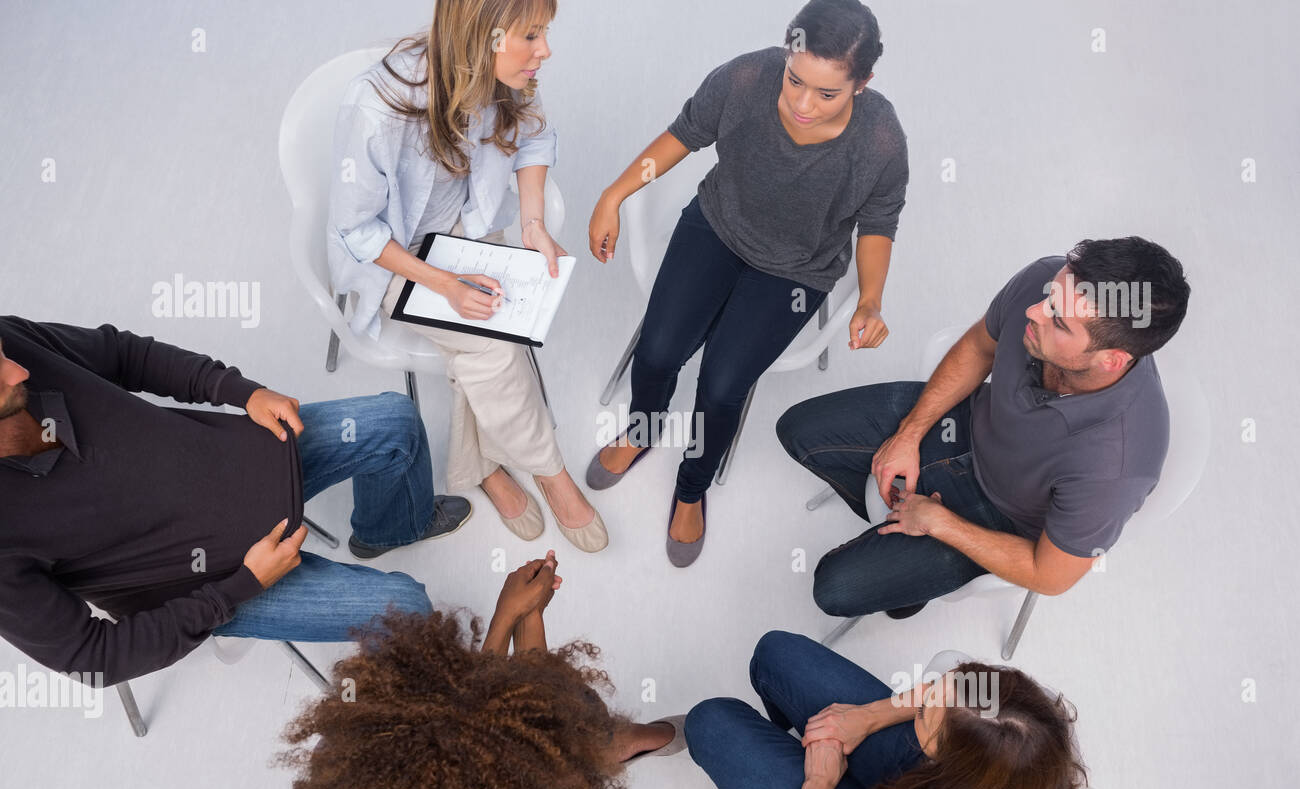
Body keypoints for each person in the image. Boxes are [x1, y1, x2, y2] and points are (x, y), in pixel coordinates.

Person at [586, 0, 907, 567]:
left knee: (722, 386)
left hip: (796, 269)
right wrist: (615, 193)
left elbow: (878, 223)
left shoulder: (880, 139)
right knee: (658, 352)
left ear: (863, 84)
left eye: (826, 94)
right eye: (795, 79)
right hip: (717, 225)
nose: (802, 103)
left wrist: (872, 299)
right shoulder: (745, 77)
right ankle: (641, 430)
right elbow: (682, 135)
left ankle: (692, 485)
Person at [0, 315, 468, 687]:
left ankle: (388, 529)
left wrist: (237, 390)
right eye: (0, 381)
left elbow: (124, 355)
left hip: (250, 459)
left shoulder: (8, 341)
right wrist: (239, 588)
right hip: (219, 580)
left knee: (396, 421)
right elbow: (93, 659)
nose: (18, 369)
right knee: (407, 607)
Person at [776, 237, 1191, 620]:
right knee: (797, 430)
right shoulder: (1045, 279)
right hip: (968, 420)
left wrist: (940, 523)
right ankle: (896, 546)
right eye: (1051, 295)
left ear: (1111, 360)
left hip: (999, 519)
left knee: (833, 589)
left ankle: (903, 578)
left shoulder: (1118, 465)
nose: (1035, 310)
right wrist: (909, 434)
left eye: (1059, 321)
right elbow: (979, 346)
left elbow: (1050, 575)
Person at [327, 0, 608, 553]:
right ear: (487, 36)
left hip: (463, 228)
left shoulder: (508, 73)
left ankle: (478, 468)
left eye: (545, 33)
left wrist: (531, 224)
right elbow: (357, 231)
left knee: (494, 329)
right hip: (395, 257)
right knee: (496, 349)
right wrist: (443, 284)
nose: (545, 50)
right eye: (532, 36)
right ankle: (550, 471)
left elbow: (532, 136)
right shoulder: (376, 108)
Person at [282, 551, 687, 789]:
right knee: (578, 719)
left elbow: (474, 721)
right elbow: (520, 747)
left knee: (560, 723)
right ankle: (620, 741)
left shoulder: (350, 781)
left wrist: (509, 618)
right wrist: (521, 625)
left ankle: (599, 733)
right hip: (548, 765)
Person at [685, 631, 1088, 789]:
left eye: (926, 712)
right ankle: (778, 740)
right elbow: (948, 681)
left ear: (947, 765)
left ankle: (783, 759)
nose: (922, 695)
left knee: (709, 723)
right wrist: (870, 716)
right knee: (775, 651)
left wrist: (817, 785)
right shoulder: (1032, 720)